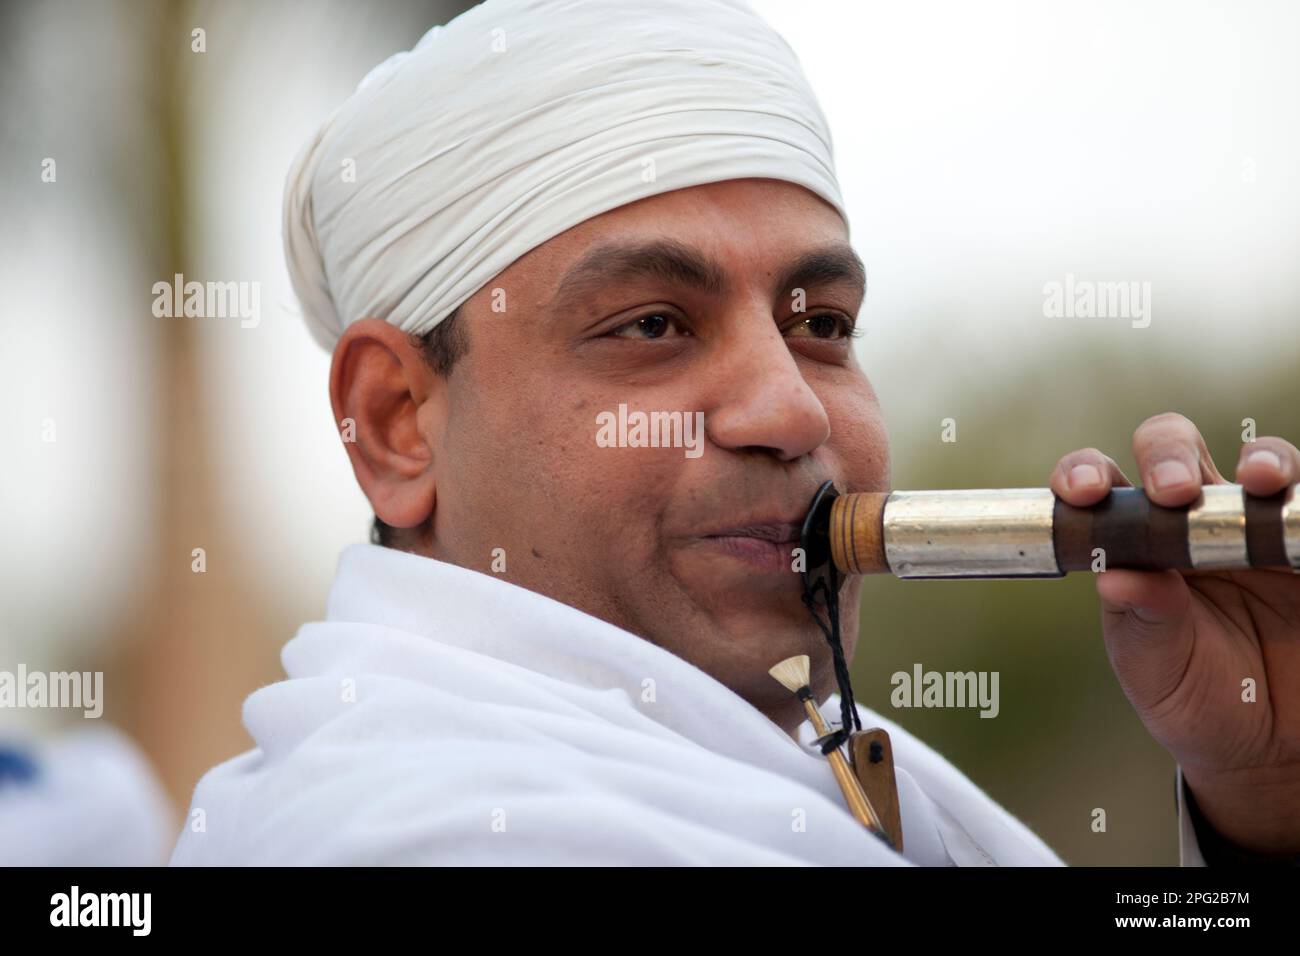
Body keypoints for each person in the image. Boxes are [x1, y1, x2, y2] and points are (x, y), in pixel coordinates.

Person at [171, 0, 1299, 865]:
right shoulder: (446, 834)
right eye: (652, 323)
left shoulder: (780, 781)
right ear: (396, 423)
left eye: (822, 324)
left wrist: (1262, 797)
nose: (793, 408)